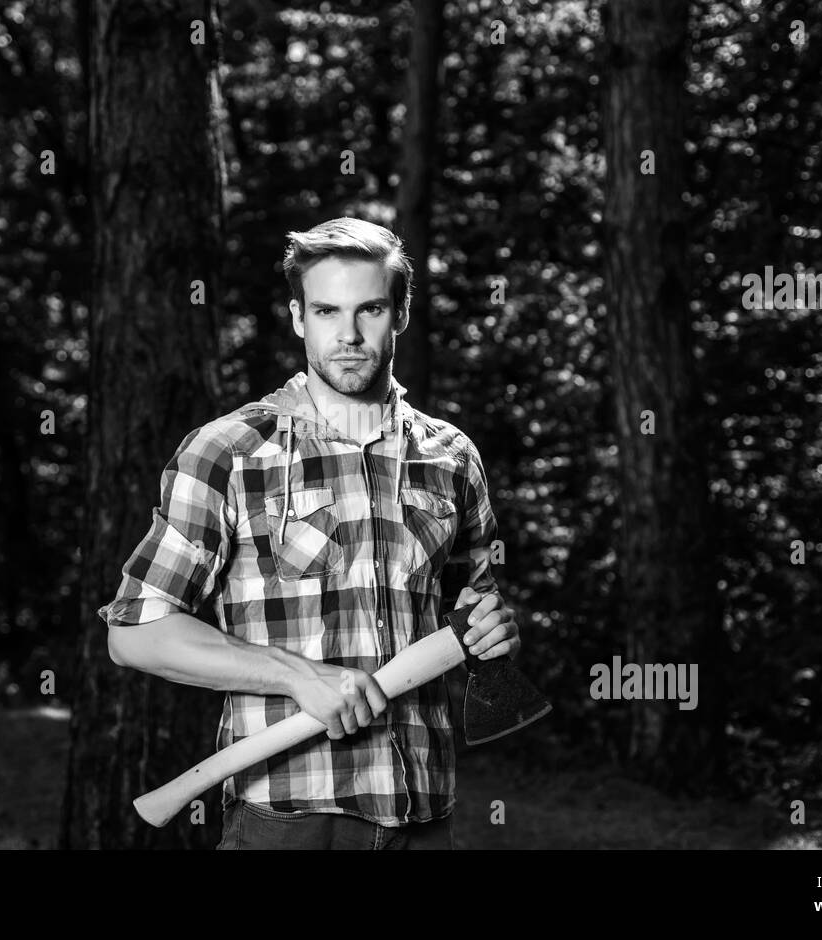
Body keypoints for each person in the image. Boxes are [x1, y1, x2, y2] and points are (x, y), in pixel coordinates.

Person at [101, 216, 522, 850]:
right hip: (288, 821)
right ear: (298, 318)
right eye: (327, 310)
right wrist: (295, 675)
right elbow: (136, 633)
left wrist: (492, 629)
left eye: (370, 309)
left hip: (425, 818)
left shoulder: (451, 455)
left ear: (401, 313)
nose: (348, 335)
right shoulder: (230, 451)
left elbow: (471, 609)